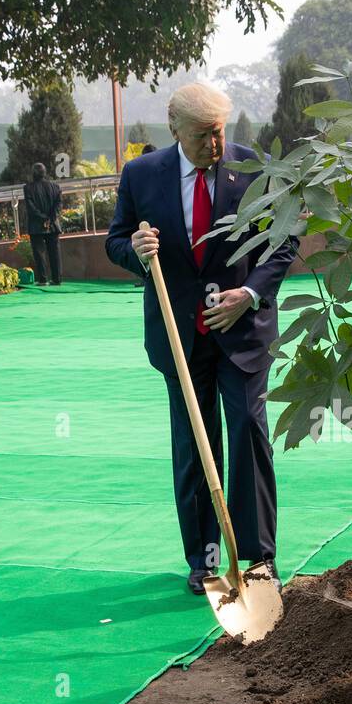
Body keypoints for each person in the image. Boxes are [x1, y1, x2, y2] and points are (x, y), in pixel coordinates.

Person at [105, 83, 298, 595]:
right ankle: (206, 561)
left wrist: (250, 295)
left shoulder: (253, 167)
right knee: (195, 445)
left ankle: (257, 560)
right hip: (179, 336)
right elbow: (115, 239)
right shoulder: (141, 175)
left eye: (219, 132)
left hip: (243, 331)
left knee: (248, 434)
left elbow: (284, 239)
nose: (214, 145)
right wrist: (135, 248)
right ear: (175, 129)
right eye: (202, 136)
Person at [23, 162, 63, 285]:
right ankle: (57, 279)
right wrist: (50, 219)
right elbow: (59, 205)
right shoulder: (55, 187)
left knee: (39, 253)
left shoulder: (28, 188)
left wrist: (43, 218)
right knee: (55, 253)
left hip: (36, 226)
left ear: (33, 174)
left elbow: (31, 207)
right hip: (53, 225)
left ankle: (43, 279)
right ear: (44, 173)